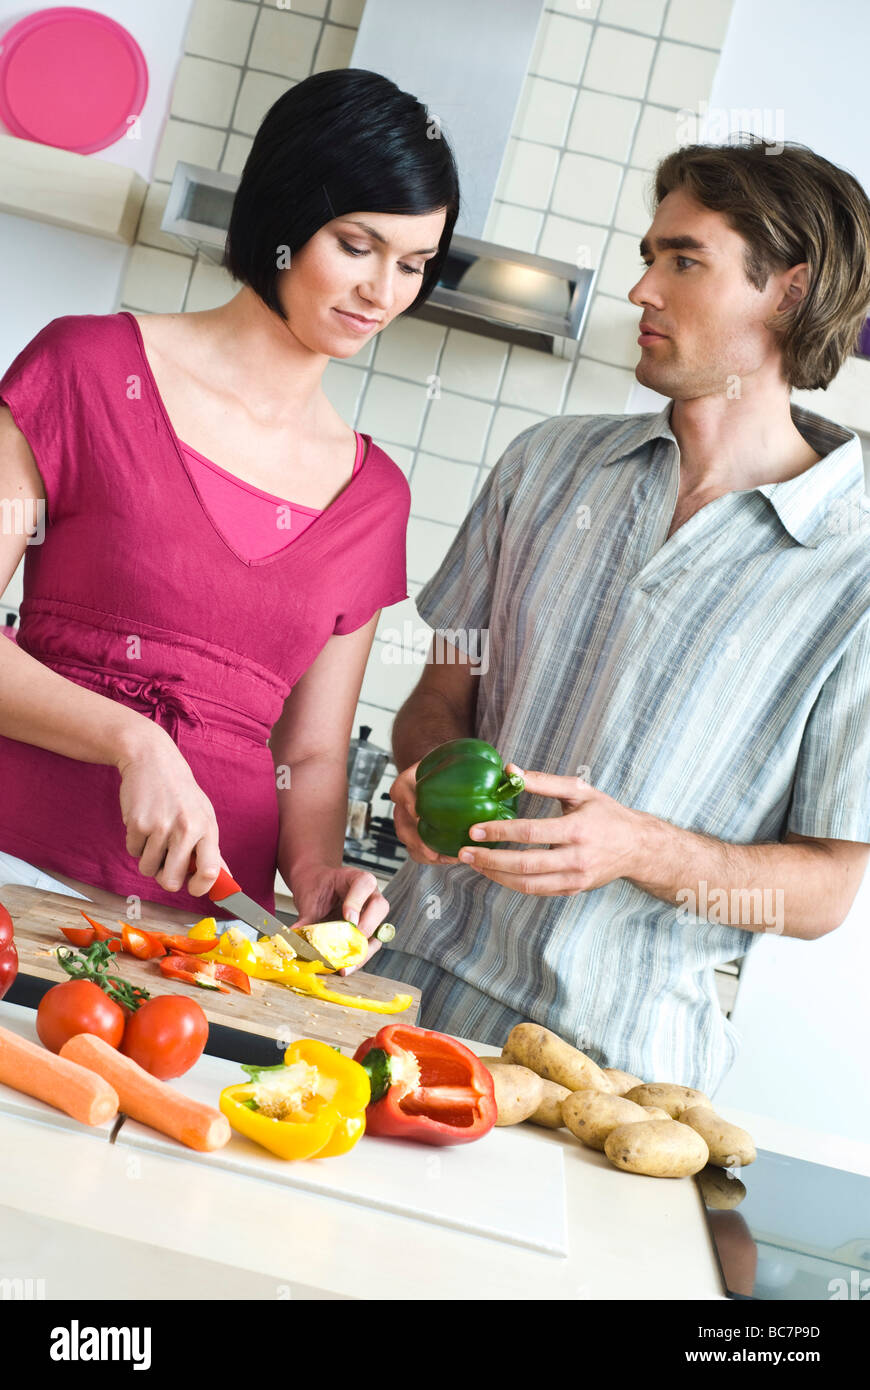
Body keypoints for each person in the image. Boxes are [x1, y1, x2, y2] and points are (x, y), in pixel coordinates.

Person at [371, 136, 870, 1094]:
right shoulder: (544, 467)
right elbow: (440, 696)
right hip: (400, 1003)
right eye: (649, 257)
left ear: (789, 292)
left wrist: (639, 848)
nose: (642, 290)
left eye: (683, 261)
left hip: (612, 1078)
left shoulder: (852, 570)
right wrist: (426, 768)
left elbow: (825, 891)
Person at [0, 69, 458, 939]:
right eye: (357, 246)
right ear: (282, 217)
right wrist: (135, 740)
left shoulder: (373, 497)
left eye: (413, 265)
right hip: (13, 868)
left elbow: (313, 755)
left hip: (206, 935)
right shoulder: (86, 370)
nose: (382, 292)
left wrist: (322, 875)